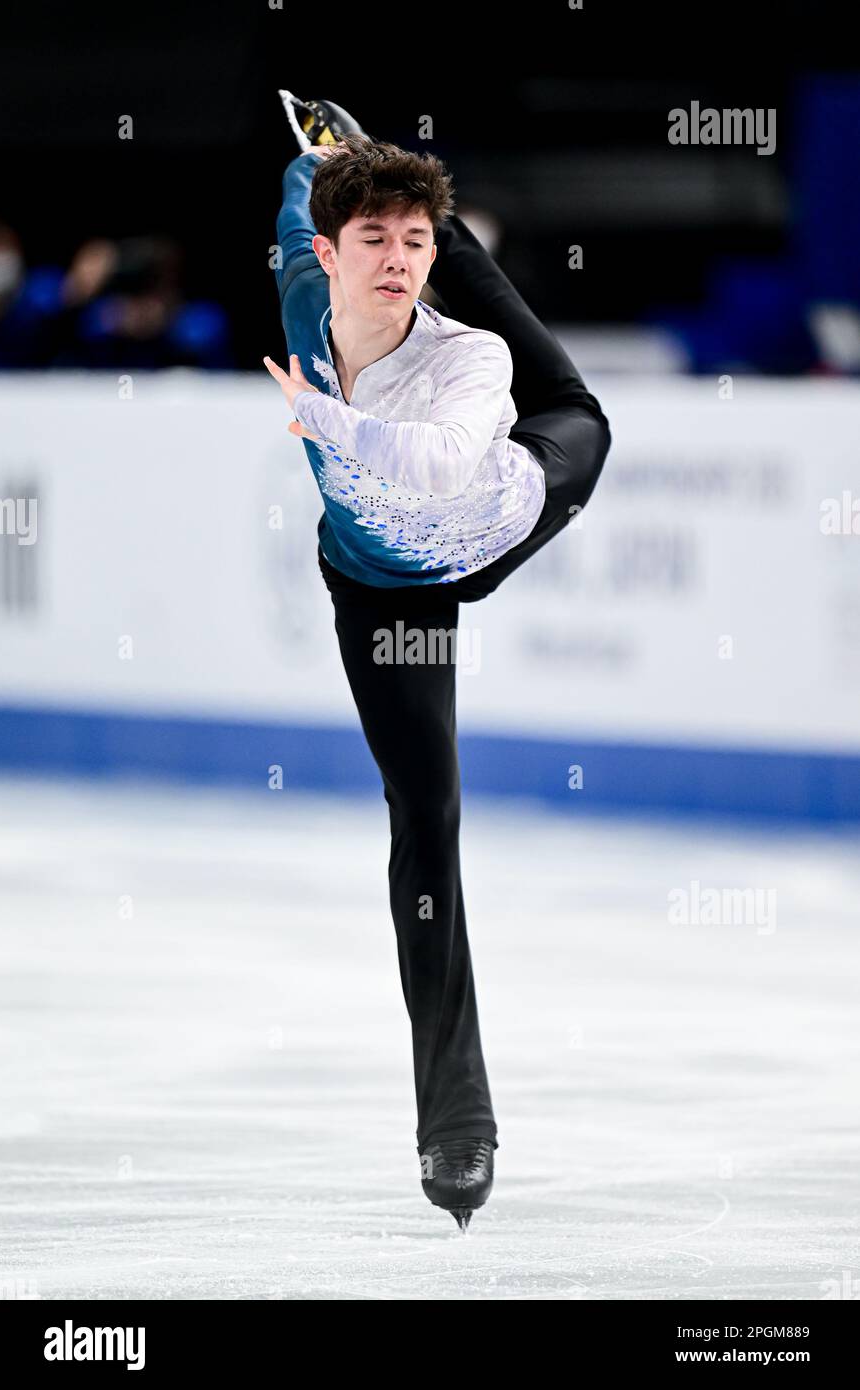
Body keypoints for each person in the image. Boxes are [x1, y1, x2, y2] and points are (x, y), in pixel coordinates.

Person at [265, 94, 611, 1231]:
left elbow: (439, 460)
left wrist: (322, 420)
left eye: (414, 242)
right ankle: (454, 1120)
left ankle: (418, 199)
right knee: (428, 817)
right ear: (324, 251)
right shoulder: (305, 273)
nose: (395, 262)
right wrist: (331, 147)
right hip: (377, 587)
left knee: (570, 405)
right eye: (373, 240)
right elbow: (305, 191)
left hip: (511, 503)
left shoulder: (468, 361)